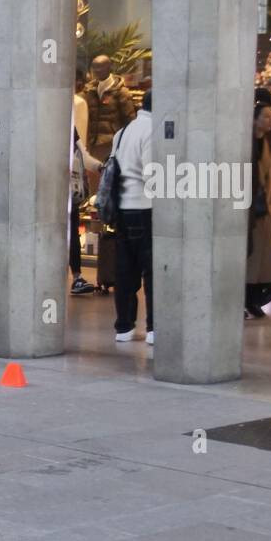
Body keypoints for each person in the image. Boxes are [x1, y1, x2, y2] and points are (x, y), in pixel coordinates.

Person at [111, 90, 154, 344]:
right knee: (151, 271)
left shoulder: (124, 131)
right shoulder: (152, 131)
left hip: (122, 209)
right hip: (145, 209)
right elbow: (151, 176)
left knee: (125, 271)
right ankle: (153, 327)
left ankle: (124, 326)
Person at [246, 104, 271, 319]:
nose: (270, 120)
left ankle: (253, 301)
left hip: (268, 212)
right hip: (249, 212)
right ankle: (247, 301)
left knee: (270, 267)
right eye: (266, 116)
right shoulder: (245, 145)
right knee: (251, 262)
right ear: (254, 119)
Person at [82, 55, 138, 163]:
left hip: (112, 145)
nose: (96, 71)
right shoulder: (89, 91)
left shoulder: (121, 92)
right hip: (91, 144)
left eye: (100, 67)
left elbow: (130, 121)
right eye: (94, 68)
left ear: (109, 67)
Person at [69, 126, 100, 295]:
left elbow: (83, 155)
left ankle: (77, 276)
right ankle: (76, 277)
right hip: (50, 188)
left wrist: (100, 167)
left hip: (67, 189)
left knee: (73, 233)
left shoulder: (69, 125)